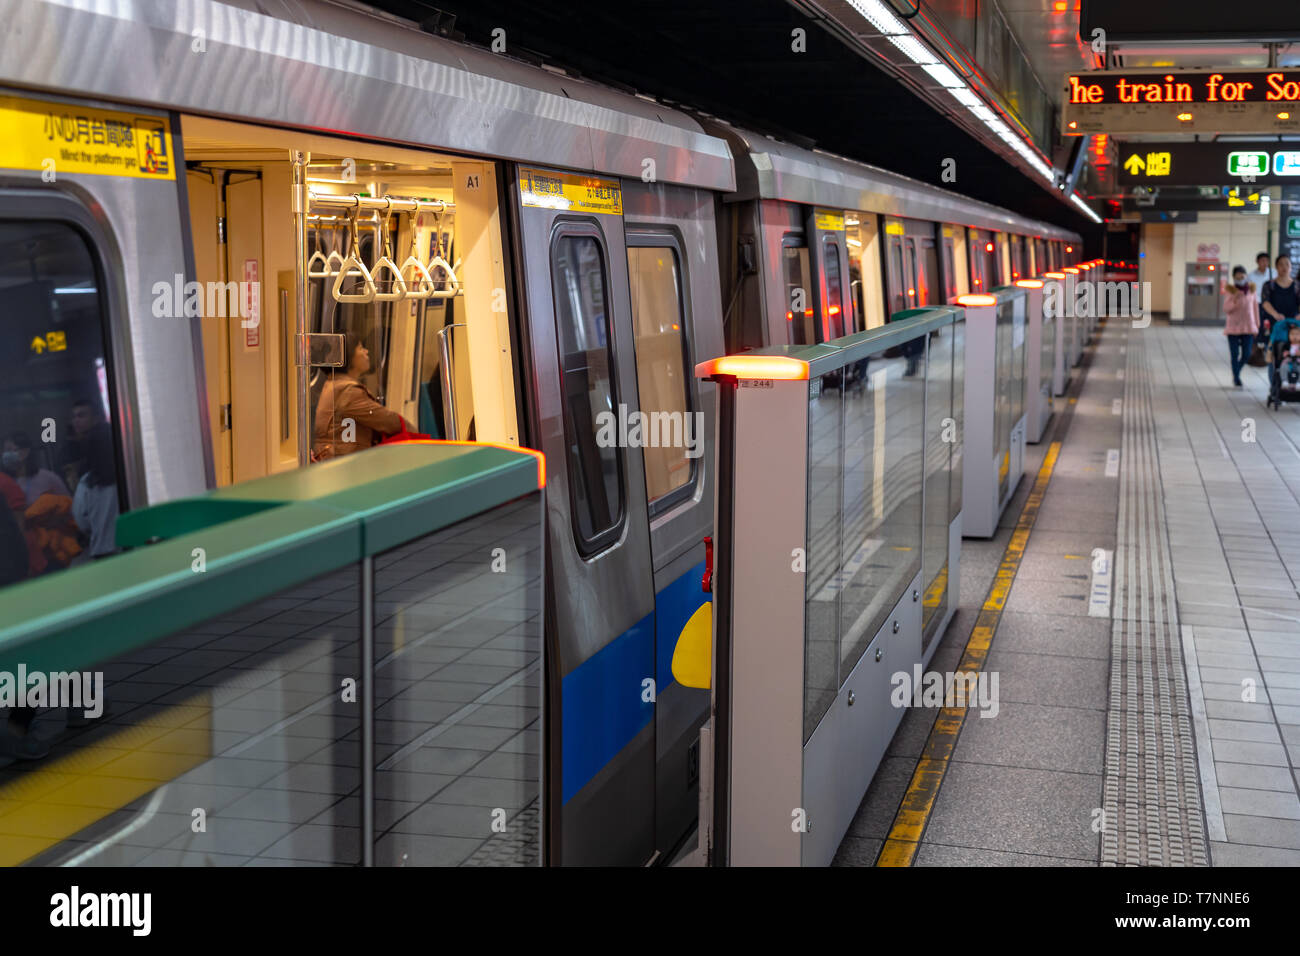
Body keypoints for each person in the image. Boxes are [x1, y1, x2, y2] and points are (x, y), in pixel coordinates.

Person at [313, 332, 414, 460]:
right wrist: (412, 430)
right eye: (360, 348)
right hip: (346, 464)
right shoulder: (348, 392)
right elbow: (385, 420)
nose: (366, 351)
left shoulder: (334, 384)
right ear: (348, 357)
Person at [71, 423, 120, 559]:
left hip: (102, 551)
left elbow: (80, 519)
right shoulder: (129, 474)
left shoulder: (87, 483)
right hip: (130, 547)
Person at [3, 432, 70, 506]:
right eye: (4, 451)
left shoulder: (48, 477)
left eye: (9, 450)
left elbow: (68, 504)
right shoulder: (5, 481)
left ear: (25, 451)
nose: (5, 455)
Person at [1223, 266, 1258, 388]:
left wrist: (1257, 325)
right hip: (1233, 327)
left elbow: (1255, 309)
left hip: (1248, 327)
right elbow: (1226, 309)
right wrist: (1235, 299)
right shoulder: (1230, 291)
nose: (1241, 277)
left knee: (1247, 354)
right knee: (1234, 354)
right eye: (1238, 275)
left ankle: (1236, 370)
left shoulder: (1252, 290)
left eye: (1243, 274)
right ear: (1233, 277)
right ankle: (1236, 377)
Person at [1247, 251, 1274, 339]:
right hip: (1257, 304)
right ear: (1257, 261)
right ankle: (1258, 343)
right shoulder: (1251, 276)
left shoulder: (1274, 273)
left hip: (1271, 304)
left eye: (1266, 261)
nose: (1265, 263)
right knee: (1258, 325)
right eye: (1262, 261)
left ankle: (1268, 344)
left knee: (1271, 325)